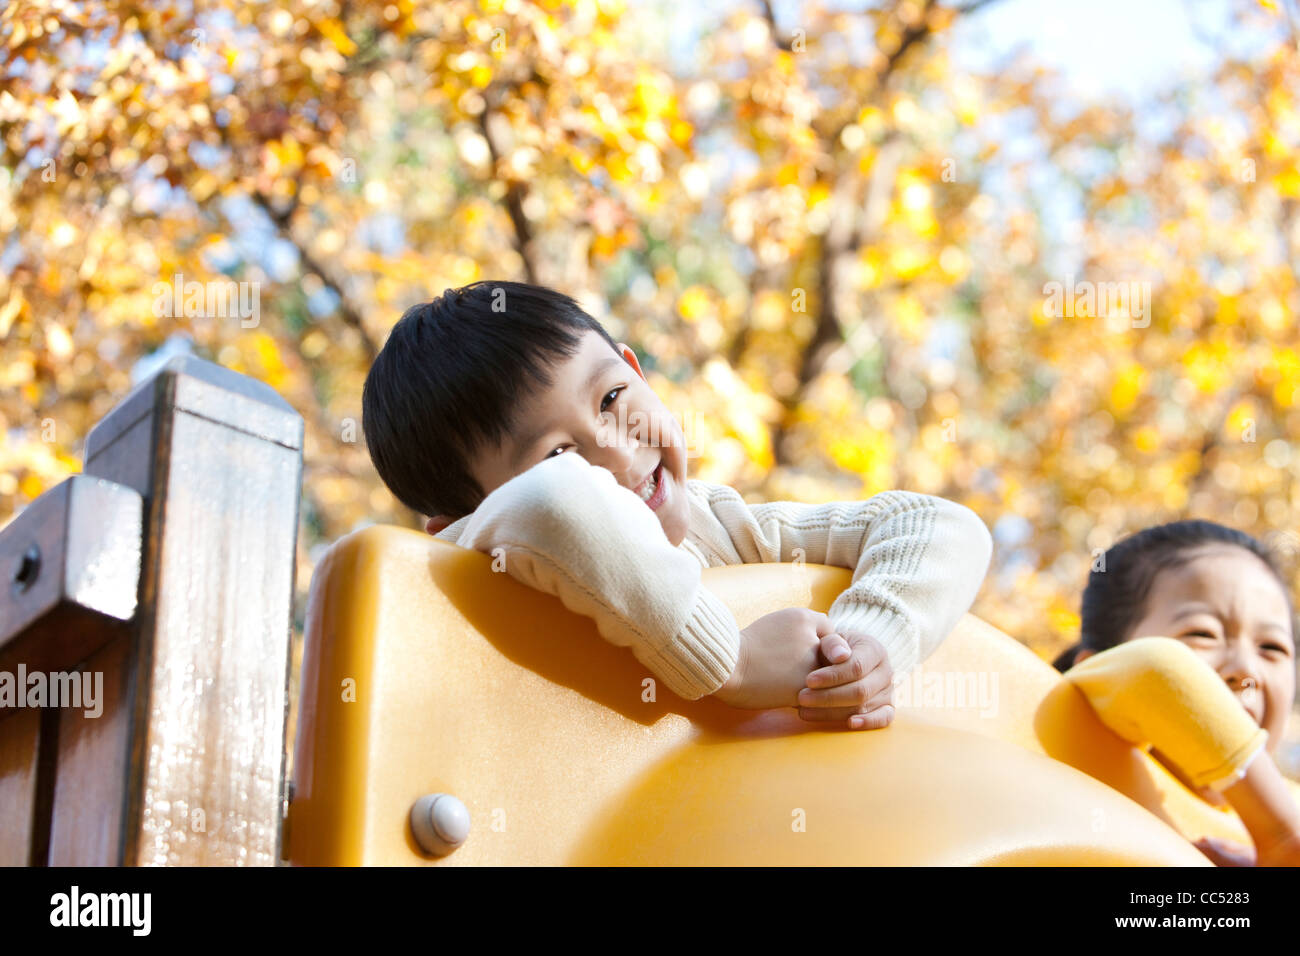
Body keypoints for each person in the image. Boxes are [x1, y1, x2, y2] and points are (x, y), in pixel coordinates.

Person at [362, 281, 993, 730]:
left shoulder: (722, 526)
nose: (615, 451)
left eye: (611, 397)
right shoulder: (476, 574)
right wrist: (735, 664)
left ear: (637, 371)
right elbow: (556, 504)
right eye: (556, 453)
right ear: (462, 524)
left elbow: (936, 524)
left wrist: (863, 651)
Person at [1053, 520, 1300, 865]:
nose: (1245, 669)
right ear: (1100, 661)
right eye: (1203, 633)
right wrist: (1282, 839)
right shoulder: (1070, 764)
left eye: (1272, 647)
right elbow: (1153, 668)